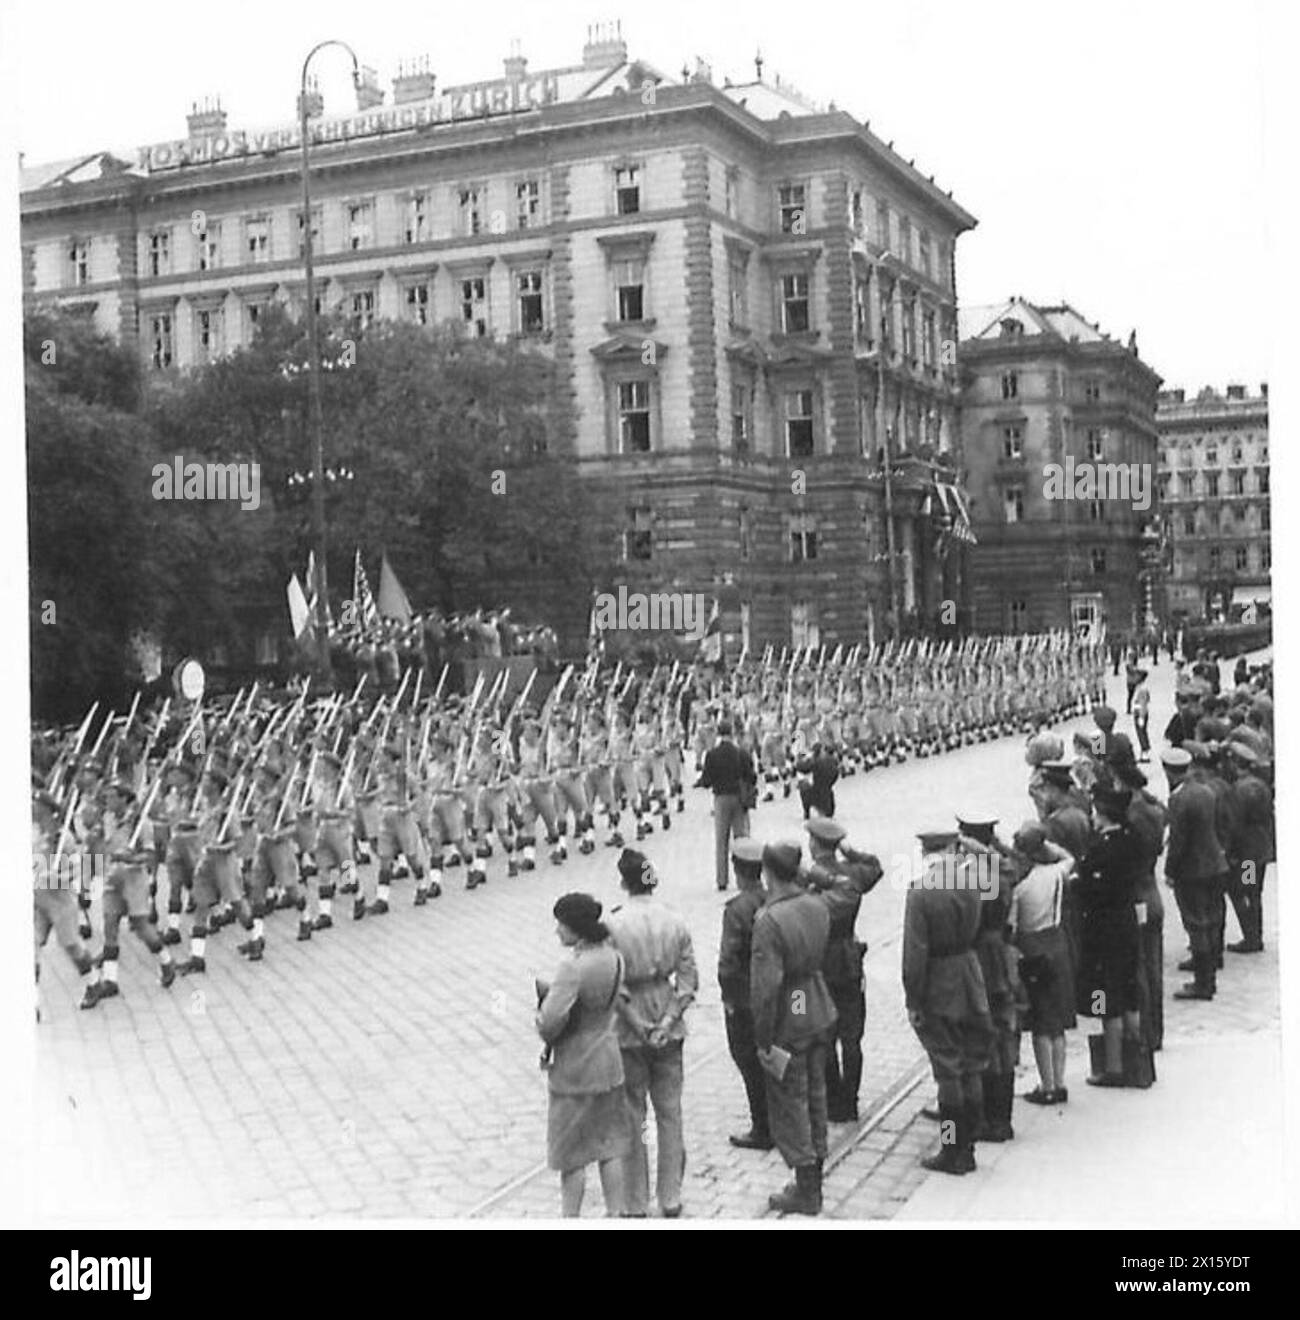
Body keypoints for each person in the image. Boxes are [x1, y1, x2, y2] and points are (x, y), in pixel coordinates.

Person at [606, 848, 697, 1218]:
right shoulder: (674, 920)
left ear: (623, 882)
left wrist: (638, 1024)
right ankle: (671, 1195)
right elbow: (689, 980)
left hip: (630, 1027)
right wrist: (667, 1021)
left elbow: (614, 984)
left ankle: (635, 1199)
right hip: (667, 1019)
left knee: (634, 1114)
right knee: (670, 1113)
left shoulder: (613, 925)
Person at [751, 840, 837, 1214]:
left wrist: (763, 1037)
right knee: (817, 1095)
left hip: (792, 1009)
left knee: (791, 1104)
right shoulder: (817, 904)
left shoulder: (769, 920)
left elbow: (766, 987)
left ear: (768, 874)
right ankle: (815, 1169)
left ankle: (806, 1188)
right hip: (816, 1002)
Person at [535, 892, 631, 1218]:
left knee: (571, 1155)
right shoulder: (614, 957)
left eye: (561, 924)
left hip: (575, 1069)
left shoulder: (572, 968)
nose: (557, 931)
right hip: (608, 1058)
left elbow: (550, 1024)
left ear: (575, 928)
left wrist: (541, 1009)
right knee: (611, 1146)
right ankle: (616, 1215)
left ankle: (570, 1218)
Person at [903, 830, 992, 1175]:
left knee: (947, 1071)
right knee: (970, 1064)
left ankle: (951, 1146)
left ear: (925, 851)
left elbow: (915, 953)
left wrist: (913, 997)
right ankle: (968, 1144)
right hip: (969, 973)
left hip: (939, 983)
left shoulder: (921, 890)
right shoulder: (973, 882)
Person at [803, 817, 884, 1122]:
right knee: (852, 1037)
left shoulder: (812, 882)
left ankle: (833, 1097)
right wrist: (850, 852)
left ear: (814, 844)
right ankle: (849, 1100)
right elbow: (875, 867)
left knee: (823, 1033)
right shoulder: (851, 873)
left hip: (821, 964)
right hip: (849, 962)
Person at [1009, 821, 1076, 1104]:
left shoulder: (1020, 889)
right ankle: (1060, 1082)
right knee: (1057, 1021)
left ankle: (1046, 1085)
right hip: (1058, 945)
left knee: (1039, 1021)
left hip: (1032, 950)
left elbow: (1011, 926)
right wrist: (1046, 843)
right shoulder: (1057, 873)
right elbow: (1069, 857)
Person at [718, 838, 772, 1150]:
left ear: (737, 872)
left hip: (744, 996)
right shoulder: (771, 899)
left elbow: (728, 960)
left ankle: (762, 1126)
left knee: (748, 1059)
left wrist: (728, 998)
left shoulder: (737, 909)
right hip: (774, 992)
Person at [1163, 747, 1226, 1001]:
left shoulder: (1179, 799)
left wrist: (1170, 870)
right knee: (1211, 917)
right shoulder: (1206, 791)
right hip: (1214, 864)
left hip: (1192, 870)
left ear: (1169, 772)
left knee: (1195, 923)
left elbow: (1178, 841)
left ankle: (1203, 983)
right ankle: (1209, 972)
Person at [1117, 761, 1168, 1051]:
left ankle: (1145, 1035)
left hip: (1136, 894)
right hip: (1152, 891)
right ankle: (1156, 1032)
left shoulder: (1130, 816)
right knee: (1154, 966)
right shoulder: (1154, 809)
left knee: (1139, 970)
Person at [1223, 742, 1274, 954]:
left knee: (1241, 892)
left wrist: (1231, 851)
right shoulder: (1260, 785)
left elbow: (1235, 823)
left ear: (1236, 764)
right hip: (1260, 848)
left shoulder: (1238, 789)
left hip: (1246, 854)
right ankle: (1256, 934)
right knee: (1255, 893)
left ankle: (1251, 936)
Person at [700, 720, 757, 892]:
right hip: (739, 798)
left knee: (721, 840)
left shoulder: (712, 755)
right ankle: (746, 875)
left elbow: (706, 781)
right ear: (732, 733)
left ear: (718, 733)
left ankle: (722, 880)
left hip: (721, 799)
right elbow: (752, 777)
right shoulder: (742, 753)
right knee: (742, 838)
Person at [794, 742, 840, 820]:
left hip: (816, 790)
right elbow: (836, 773)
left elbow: (801, 768)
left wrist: (800, 759)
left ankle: (806, 811)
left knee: (803, 785)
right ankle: (829, 812)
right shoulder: (833, 760)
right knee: (826, 791)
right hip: (827, 788)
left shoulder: (814, 760)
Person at [1131, 670, 1151, 762]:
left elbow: (1143, 704)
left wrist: (1141, 717)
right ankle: (1144, 752)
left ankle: (1145, 753)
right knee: (1141, 733)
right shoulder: (1139, 687)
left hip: (1140, 714)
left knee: (1141, 734)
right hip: (1138, 713)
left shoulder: (1142, 689)